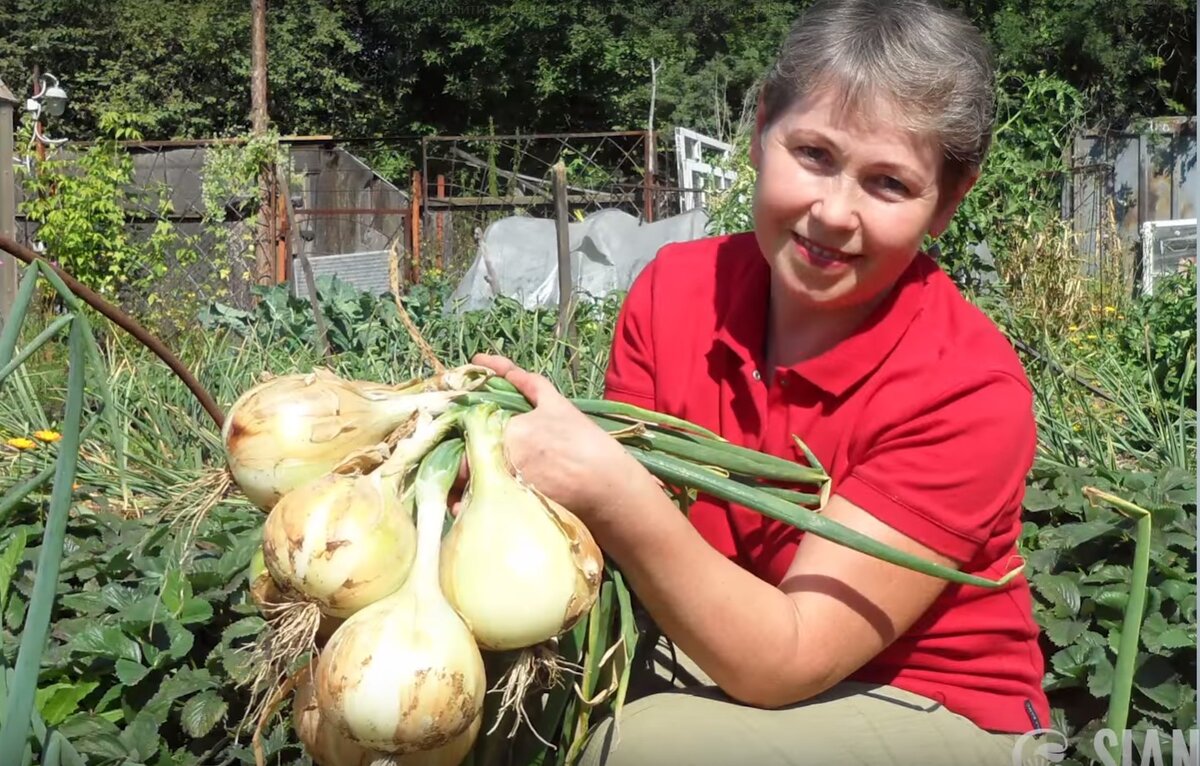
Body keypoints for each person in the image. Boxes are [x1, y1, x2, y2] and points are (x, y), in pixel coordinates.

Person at [470, 0, 1052, 763]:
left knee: (652, 750)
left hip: (929, 701)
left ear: (946, 202)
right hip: (717, 647)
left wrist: (610, 488)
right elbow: (616, 555)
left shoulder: (966, 389)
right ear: (760, 133)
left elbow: (786, 658)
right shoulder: (674, 291)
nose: (834, 212)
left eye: (887, 184)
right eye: (813, 154)